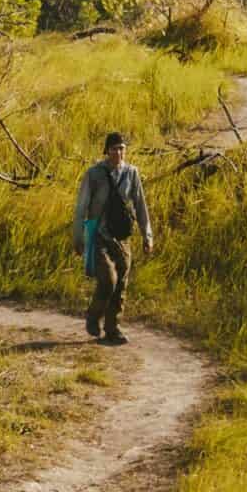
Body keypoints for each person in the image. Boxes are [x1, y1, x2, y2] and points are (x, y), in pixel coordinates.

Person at [72, 131, 153, 344]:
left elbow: (140, 205)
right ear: (106, 150)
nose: (119, 152)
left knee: (121, 285)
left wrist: (147, 235)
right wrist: (78, 237)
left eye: (122, 148)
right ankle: (93, 315)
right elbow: (81, 207)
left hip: (121, 237)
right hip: (98, 235)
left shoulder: (132, 173)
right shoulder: (94, 174)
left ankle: (112, 328)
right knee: (108, 280)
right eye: (115, 148)